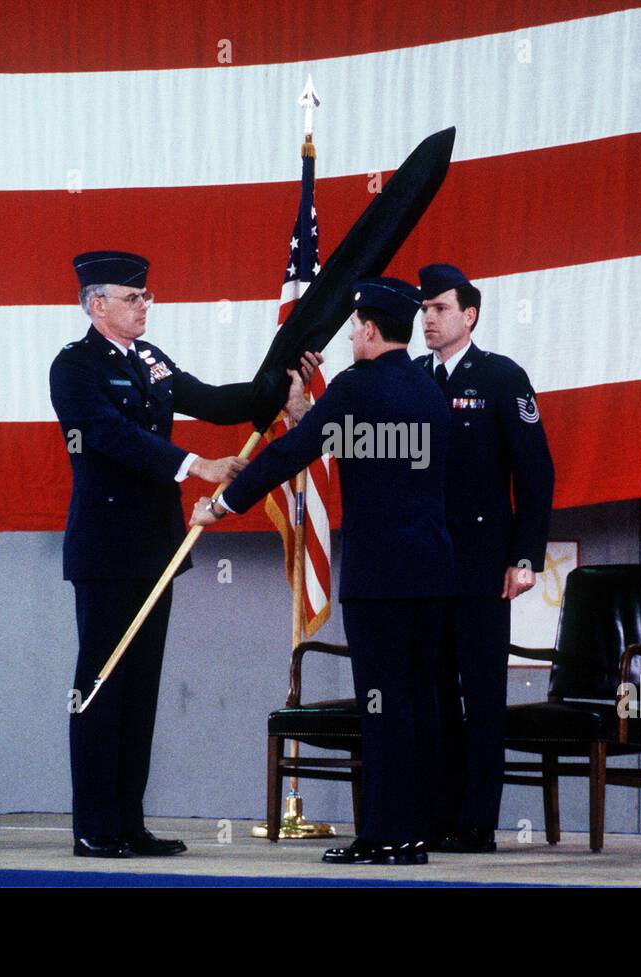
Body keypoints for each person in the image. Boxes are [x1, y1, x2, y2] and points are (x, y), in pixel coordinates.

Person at [49, 249, 316, 858]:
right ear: (97, 304)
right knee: (102, 682)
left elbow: (217, 401)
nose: (145, 306)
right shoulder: (75, 368)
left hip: (155, 548)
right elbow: (110, 436)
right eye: (133, 298)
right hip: (106, 548)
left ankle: (127, 822)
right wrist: (196, 466)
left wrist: (282, 379)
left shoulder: (151, 361)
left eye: (146, 297)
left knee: (140, 688)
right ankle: (94, 824)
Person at [191, 277, 453, 865]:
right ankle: (414, 833)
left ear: (368, 329)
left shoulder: (358, 387)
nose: (353, 335)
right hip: (432, 571)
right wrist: (307, 406)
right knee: (416, 705)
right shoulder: (428, 389)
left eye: (356, 327)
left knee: (382, 704)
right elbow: (363, 447)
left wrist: (222, 506)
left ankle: (382, 835)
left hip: (381, 578)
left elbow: (292, 452)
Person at [416, 263, 554, 853]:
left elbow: (536, 472)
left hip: (483, 566)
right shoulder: (412, 377)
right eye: (424, 309)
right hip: (423, 566)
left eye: (440, 308)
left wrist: (526, 557)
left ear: (468, 315)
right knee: (435, 694)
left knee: (482, 696)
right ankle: (438, 815)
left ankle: (476, 822)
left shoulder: (500, 377)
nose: (428, 318)